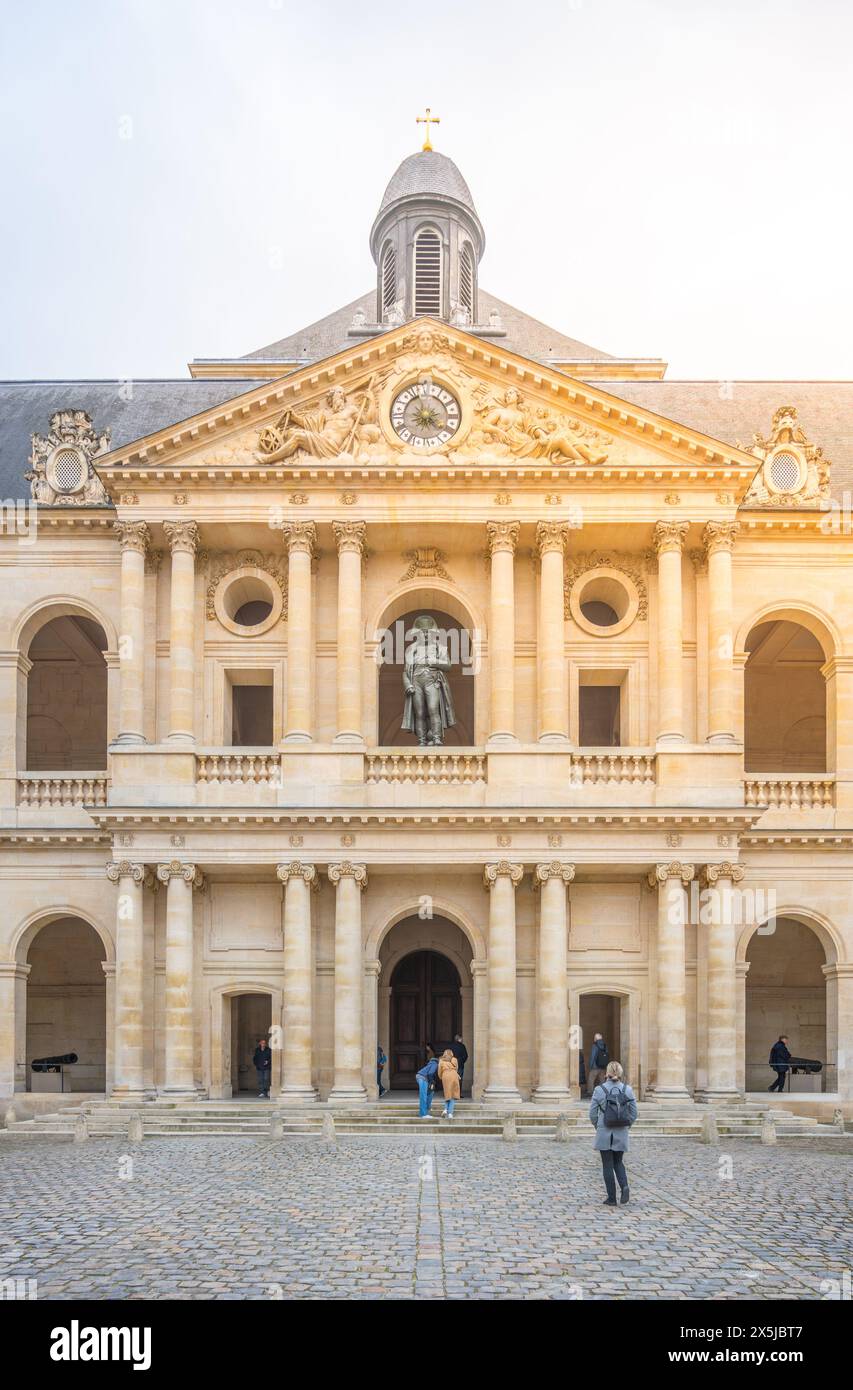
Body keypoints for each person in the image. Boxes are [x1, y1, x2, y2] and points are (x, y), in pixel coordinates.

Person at [589, 1060, 638, 1206]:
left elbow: (592, 1113)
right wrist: (627, 1125)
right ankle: (625, 1186)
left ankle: (611, 1198)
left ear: (607, 1073)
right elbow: (634, 1112)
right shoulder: (627, 1090)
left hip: (605, 1130)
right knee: (618, 1162)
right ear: (620, 1073)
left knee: (607, 1165)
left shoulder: (599, 1090)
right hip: (621, 1131)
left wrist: (597, 1126)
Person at [438, 1048, 461, 1120]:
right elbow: (456, 1068)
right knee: (453, 1095)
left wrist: (441, 1077)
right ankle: (450, 1113)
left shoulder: (441, 1060)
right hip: (453, 1075)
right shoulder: (454, 1059)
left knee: (447, 1094)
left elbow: (439, 1071)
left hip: (445, 1075)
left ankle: (445, 1110)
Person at [416, 1052, 439, 1119]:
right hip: (423, 1078)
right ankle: (423, 1114)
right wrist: (431, 1082)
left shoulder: (432, 1063)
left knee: (430, 1092)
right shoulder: (435, 1064)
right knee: (423, 1095)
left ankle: (427, 1108)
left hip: (422, 1078)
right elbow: (430, 1073)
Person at [587, 1033, 608, 1097]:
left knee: (591, 1079)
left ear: (595, 1039)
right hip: (603, 1066)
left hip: (595, 1067)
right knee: (602, 1080)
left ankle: (591, 1092)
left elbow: (593, 1056)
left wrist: (590, 1065)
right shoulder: (605, 1046)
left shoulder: (595, 1045)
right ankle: (602, 1093)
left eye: (594, 1038)